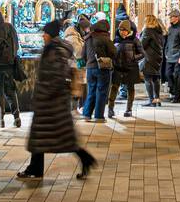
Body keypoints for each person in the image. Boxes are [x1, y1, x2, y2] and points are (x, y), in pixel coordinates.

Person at [15, 19, 97, 182]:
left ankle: (84, 159)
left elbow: (56, 77)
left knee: (57, 137)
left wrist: (44, 96)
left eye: (44, 33)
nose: (42, 36)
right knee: (52, 136)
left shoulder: (55, 51)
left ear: (50, 35)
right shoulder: (55, 48)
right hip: (52, 101)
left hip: (51, 102)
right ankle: (36, 168)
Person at [81, 17, 115, 122]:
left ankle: (87, 114)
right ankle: (98, 116)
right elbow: (114, 53)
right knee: (101, 91)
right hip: (102, 68)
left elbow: (83, 55)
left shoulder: (88, 38)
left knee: (91, 91)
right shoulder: (106, 38)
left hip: (90, 68)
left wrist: (89, 62)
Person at [108, 21, 142, 119]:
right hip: (118, 68)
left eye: (125, 30)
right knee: (114, 87)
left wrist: (133, 58)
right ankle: (110, 109)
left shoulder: (134, 40)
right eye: (121, 30)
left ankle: (129, 109)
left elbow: (143, 53)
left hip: (131, 68)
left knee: (130, 88)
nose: (122, 32)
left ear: (129, 31)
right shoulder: (116, 40)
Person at [163, 10, 180, 104]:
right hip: (169, 55)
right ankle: (173, 92)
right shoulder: (170, 28)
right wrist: (166, 51)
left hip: (178, 56)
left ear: (177, 17)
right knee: (168, 74)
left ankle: (177, 97)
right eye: (170, 17)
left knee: (176, 76)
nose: (170, 18)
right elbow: (168, 42)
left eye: (171, 17)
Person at [140, 14, 165, 107]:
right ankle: (157, 99)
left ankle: (151, 100)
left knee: (147, 78)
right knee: (156, 78)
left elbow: (142, 44)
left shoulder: (147, 30)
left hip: (149, 57)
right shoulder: (159, 31)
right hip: (158, 57)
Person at [62, 18, 86, 112]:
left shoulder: (73, 35)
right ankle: (73, 109)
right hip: (74, 66)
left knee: (75, 88)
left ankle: (74, 109)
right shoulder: (72, 37)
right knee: (75, 88)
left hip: (73, 65)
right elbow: (79, 52)